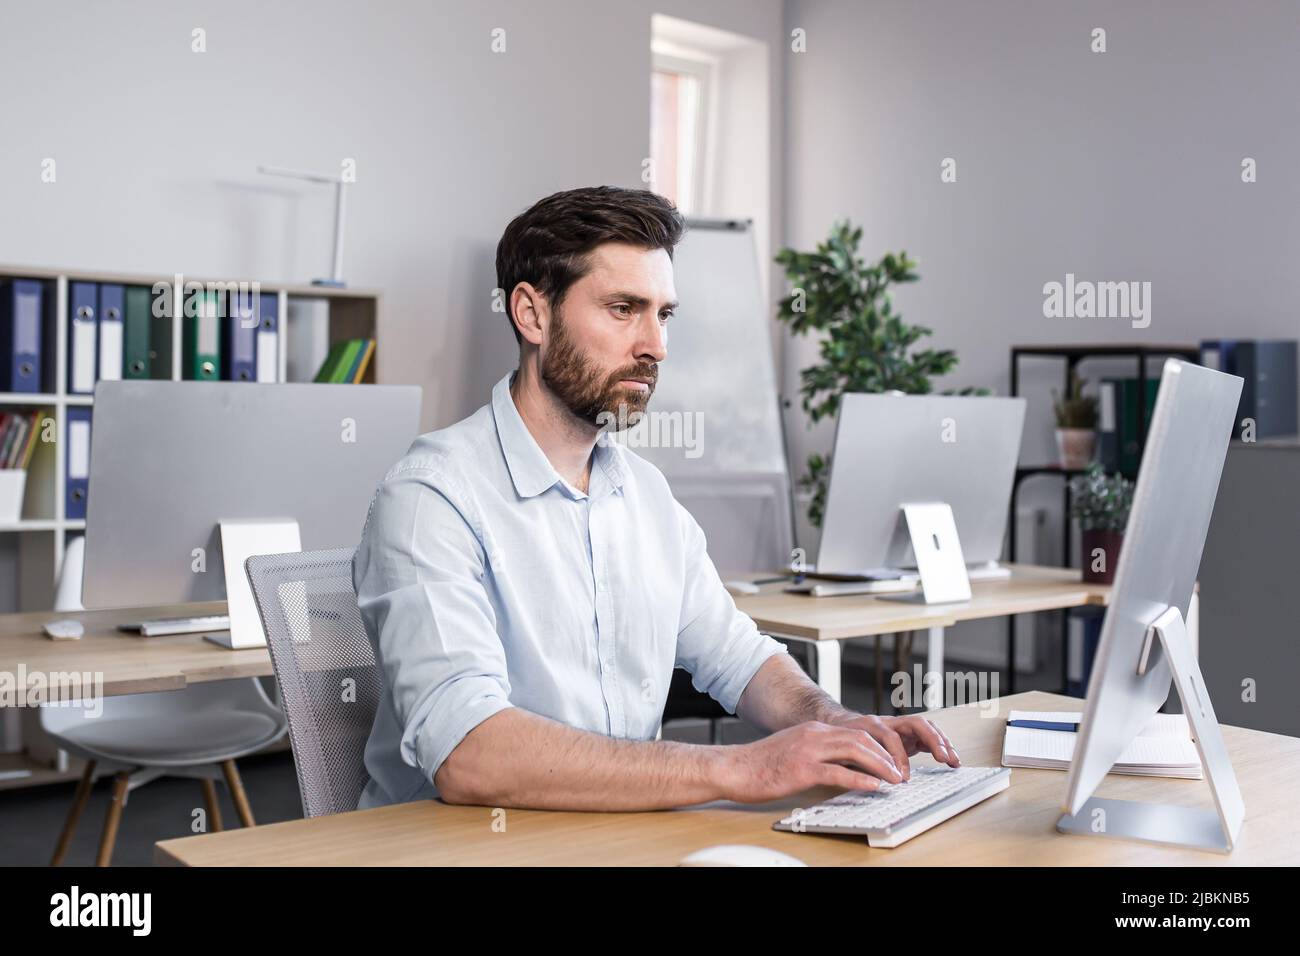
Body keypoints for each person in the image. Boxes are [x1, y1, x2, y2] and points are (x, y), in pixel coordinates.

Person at [353, 185, 960, 810]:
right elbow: (470, 754)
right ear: (532, 315)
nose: (655, 346)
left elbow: (737, 656)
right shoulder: (431, 498)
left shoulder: (643, 493)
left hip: (616, 838)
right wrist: (741, 768)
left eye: (663, 314)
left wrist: (837, 724)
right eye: (623, 309)